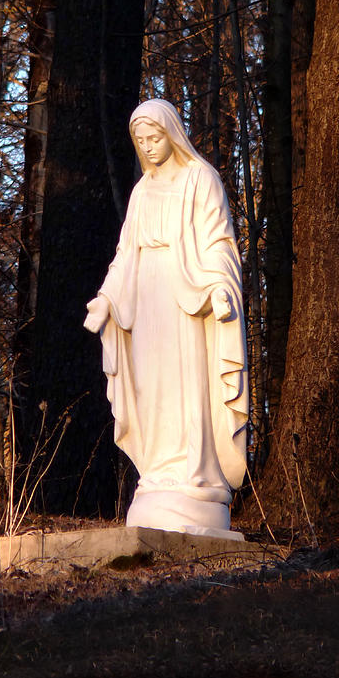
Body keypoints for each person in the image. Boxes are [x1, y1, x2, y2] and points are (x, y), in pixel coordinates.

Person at [84, 98, 248, 537]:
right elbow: (126, 253)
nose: (148, 148)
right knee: (152, 390)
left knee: (187, 386)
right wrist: (106, 298)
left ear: (172, 134)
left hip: (186, 298)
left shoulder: (201, 179)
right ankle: (158, 474)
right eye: (140, 141)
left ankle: (197, 478)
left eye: (155, 138)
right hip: (146, 298)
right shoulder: (142, 191)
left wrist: (218, 285)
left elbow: (219, 242)